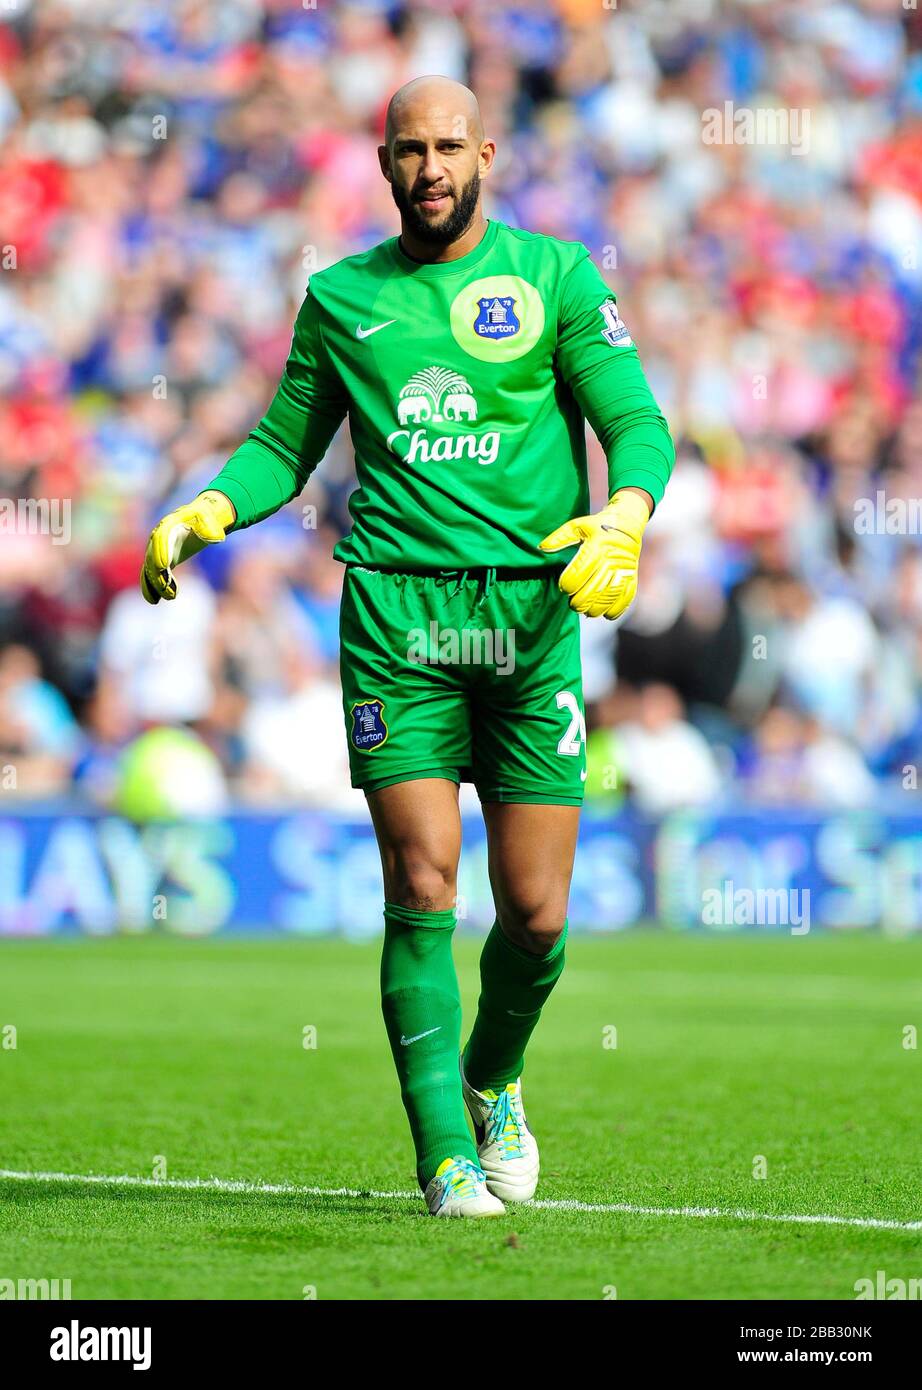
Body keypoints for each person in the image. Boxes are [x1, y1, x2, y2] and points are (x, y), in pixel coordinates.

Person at [140, 76, 674, 1218]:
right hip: (397, 619)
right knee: (421, 879)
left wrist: (625, 511)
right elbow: (284, 444)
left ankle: (492, 1076)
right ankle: (441, 1153)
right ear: (381, 163)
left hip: (530, 623)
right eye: (407, 150)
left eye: (447, 146)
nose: (429, 167)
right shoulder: (341, 298)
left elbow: (636, 419)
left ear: (485, 151)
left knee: (535, 913)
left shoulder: (559, 278)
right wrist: (210, 509)